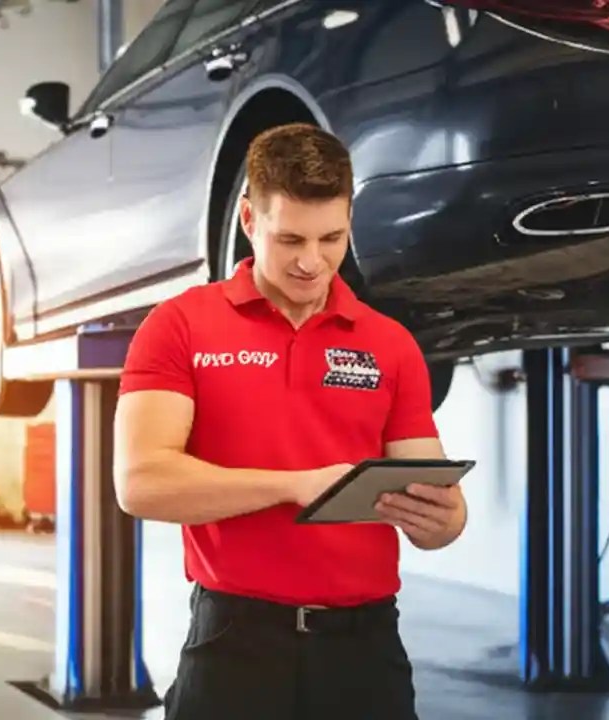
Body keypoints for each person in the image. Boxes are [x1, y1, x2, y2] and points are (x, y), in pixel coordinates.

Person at [113, 122, 468, 719]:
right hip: (235, 643)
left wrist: (444, 519)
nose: (312, 261)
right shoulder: (180, 326)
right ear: (250, 221)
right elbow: (141, 483)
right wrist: (293, 484)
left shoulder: (391, 345)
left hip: (367, 650)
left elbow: (432, 501)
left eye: (331, 237)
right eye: (289, 239)